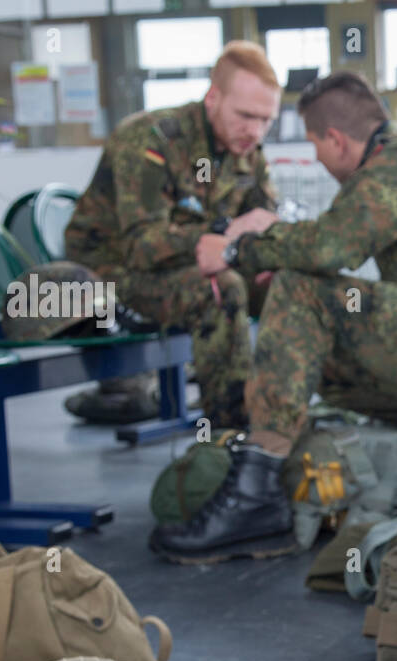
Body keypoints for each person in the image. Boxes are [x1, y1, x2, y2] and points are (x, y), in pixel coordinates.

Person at [150, 73, 397, 564]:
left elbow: (333, 246)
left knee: (302, 290)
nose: (317, 160)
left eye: (314, 146)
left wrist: (239, 247)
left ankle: (255, 493)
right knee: (306, 342)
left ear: (336, 139)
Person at [63, 41, 281, 428]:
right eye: (246, 115)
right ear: (213, 98)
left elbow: (264, 220)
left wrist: (267, 250)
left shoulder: (247, 152)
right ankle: (230, 437)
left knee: (286, 282)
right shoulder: (149, 140)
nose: (256, 131)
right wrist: (225, 234)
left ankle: (283, 415)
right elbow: (142, 245)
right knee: (222, 288)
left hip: (188, 266)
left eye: (267, 120)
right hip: (109, 274)